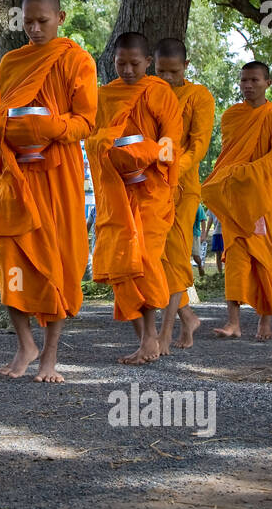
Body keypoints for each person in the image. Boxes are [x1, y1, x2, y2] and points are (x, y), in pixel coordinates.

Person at [0, 0, 97, 382]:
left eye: (42, 21)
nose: (34, 29)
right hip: (15, 176)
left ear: (61, 18)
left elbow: (86, 121)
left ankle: (50, 356)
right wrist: (7, 130)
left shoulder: (76, 60)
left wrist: (48, 125)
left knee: (59, 262)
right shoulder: (11, 62)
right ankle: (25, 344)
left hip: (58, 173)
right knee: (12, 260)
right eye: (27, 22)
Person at [84, 31, 182, 364]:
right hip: (117, 192)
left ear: (148, 62)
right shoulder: (105, 95)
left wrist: (144, 152)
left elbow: (171, 142)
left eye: (134, 64)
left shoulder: (159, 92)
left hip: (152, 191)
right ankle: (146, 340)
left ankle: (150, 338)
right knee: (120, 264)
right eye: (120, 63)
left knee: (145, 262)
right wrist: (105, 148)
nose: (127, 70)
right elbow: (95, 139)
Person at [202, 62, 272, 341]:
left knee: (264, 259)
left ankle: (265, 323)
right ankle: (233, 323)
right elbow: (230, 155)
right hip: (236, 198)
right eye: (243, 81)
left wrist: (245, 173)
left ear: (267, 83)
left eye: (254, 80)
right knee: (236, 259)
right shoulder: (232, 115)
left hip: (264, 198)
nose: (247, 85)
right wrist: (234, 175)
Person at [154, 37, 215, 352]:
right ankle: (187, 316)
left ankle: (164, 333)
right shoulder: (147, 91)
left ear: (186, 67)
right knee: (154, 257)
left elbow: (199, 143)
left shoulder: (198, 96)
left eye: (173, 72)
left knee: (176, 256)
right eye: (161, 70)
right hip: (150, 185)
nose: (166, 78)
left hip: (183, 186)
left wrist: (175, 168)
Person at [192, 203, 207, 278]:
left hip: (195, 234)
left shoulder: (198, 205)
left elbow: (203, 220)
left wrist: (203, 234)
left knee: (196, 256)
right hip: (183, 233)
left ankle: (200, 265)